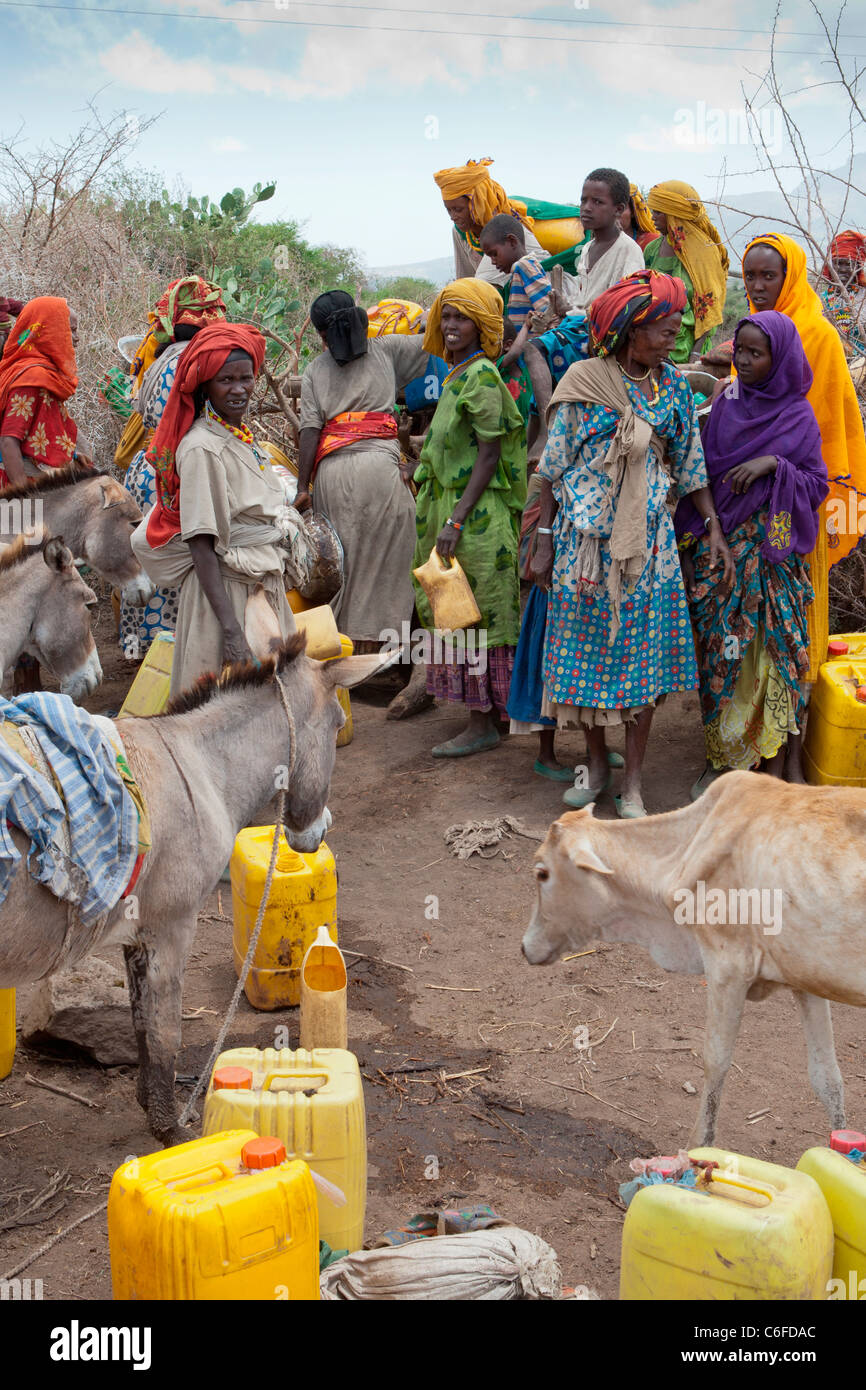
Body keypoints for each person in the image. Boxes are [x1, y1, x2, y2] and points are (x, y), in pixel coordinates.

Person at [531, 270, 733, 817]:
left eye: (676, 328)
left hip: (650, 549)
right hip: (584, 548)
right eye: (665, 329)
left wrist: (712, 524)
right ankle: (596, 766)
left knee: (643, 664)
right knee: (586, 660)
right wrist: (545, 538)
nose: (673, 337)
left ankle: (634, 784)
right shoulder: (584, 380)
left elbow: (692, 466)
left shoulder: (671, 389)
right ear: (630, 327)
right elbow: (551, 469)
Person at [675, 312, 829, 795]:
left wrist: (773, 465)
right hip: (722, 556)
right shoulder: (724, 406)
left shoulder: (798, 416)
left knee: (776, 655)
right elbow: (701, 471)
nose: (742, 360)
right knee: (724, 654)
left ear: (779, 358)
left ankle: (778, 766)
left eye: (755, 353)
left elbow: (818, 484)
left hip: (772, 559)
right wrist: (710, 532)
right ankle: (726, 762)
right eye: (738, 350)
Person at [741, 231, 866, 778]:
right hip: (754, 512)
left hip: (801, 506)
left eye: (770, 276)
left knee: (800, 629)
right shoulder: (754, 335)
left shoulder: (813, 333)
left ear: (790, 276)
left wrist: (777, 468)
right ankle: (756, 745)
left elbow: (823, 426)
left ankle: (794, 749)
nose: (759, 286)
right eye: (750, 276)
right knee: (756, 635)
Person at [131, 323, 307, 696]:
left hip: (260, 587)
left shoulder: (241, 437)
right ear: (205, 385)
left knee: (271, 705)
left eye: (246, 378)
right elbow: (200, 544)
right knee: (225, 714)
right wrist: (230, 632)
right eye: (226, 379)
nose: (239, 388)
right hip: (227, 596)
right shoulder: (201, 448)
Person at [411, 278, 526, 756]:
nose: (452, 325)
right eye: (448, 317)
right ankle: (486, 718)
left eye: (463, 318)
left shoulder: (481, 377)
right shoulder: (462, 373)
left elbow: (489, 453)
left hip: (475, 521)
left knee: (474, 618)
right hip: (456, 511)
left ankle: (482, 724)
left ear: (483, 327)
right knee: (460, 612)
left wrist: (455, 520)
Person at [296, 290, 431, 665]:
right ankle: (389, 655)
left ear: (322, 336)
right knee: (393, 560)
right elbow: (435, 339)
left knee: (342, 563)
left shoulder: (314, 370)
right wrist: (427, 317)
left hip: (331, 474)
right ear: (360, 320)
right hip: (382, 471)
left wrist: (301, 486)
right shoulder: (387, 349)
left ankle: (343, 653)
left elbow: (310, 431)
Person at [118, 276, 227, 661]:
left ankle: (145, 653)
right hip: (175, 470)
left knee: (149, 561)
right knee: (180, 562)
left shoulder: (161, 355)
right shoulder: (191, 359)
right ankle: (174, 657)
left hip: (148, 467)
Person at [525, 169, 645, 463]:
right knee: (535, 392)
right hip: (577, 324)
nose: (586, 208)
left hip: (600, 331)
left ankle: (547, 429)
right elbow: (585, 298)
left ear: (619, 209)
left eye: (597, 202)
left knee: (533, 348)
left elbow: (625, 304)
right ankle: (533, 452)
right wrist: (566, 307)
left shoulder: (627, 251)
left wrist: (581, 314)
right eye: (583, 200)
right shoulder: (588, 248)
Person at [0, 296, 94, 488]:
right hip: (25, 481)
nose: (76, 338)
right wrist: (23, 496)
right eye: (72, 330)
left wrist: (72, 455)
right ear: (50, 332)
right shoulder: (32, 379)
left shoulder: (32, 370)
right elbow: (9, 441)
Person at [644, 180, 729, 362]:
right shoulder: (652, 250)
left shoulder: (704, 253)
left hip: (686, 350)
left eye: (658, 213)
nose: (652, 218)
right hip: (651, 346)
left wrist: (695, 355)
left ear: (675, 215)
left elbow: (710, 309)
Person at [433, 157, 546, 287]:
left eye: (458, 210)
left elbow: (481, 286)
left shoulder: (505, 229)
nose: (453, 217)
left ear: (477, 203)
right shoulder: (460, 232)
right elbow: (464, 280)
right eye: (449, 210)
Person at [479, 213, 554, 368]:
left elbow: (548, 309)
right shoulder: (520, 270)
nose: (493, 262)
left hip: (534, 354)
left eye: (494, 254)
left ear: (512, 241)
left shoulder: (524, 267)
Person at [820, 230, 866, 357]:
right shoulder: (820, 300)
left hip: (861, 366)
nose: (843, 269)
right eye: (838, 263)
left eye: (849, 264)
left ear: (858, 267)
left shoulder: (864, 298)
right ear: (830, 266)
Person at [622, 184, 660, 252]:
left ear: (633, 212)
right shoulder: (599, 243)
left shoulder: (651, 242)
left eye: (621, 208)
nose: (613, 212)